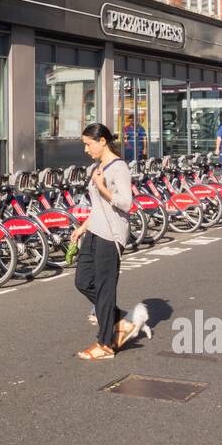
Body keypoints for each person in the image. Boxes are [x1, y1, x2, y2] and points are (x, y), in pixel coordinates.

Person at [70, 122, 134, 361]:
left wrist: (100, 186)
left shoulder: (119, 167)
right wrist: (83, 227)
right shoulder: (97, 166)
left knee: (106, 289)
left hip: (111, 235)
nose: (86, 150)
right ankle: (118, 319)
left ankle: (105, 344)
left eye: (88, 144)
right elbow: (98, 206)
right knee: (83, 281)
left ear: (102, 141)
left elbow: (126, 203)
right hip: (94, 231)